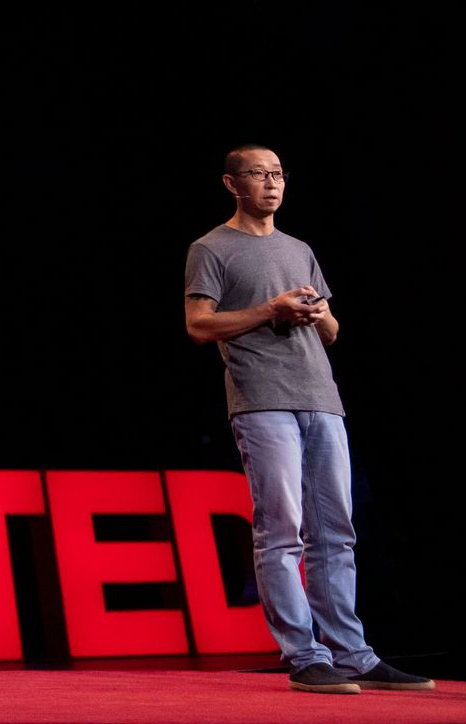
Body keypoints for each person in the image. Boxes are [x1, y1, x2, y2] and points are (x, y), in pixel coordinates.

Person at [182, 146, 428, 694]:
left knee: (336, 532)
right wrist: (271, 309)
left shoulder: (300, 248)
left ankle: (353, 654)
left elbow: (334, 333)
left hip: (322, 399)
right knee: (281, 531)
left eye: (278, 174)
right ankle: (303, 654)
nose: (272, 183)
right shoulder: (212, 248)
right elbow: (198, 325)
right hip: (262, 400)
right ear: (231, 182)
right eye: (258, 174)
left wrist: (318, 314)